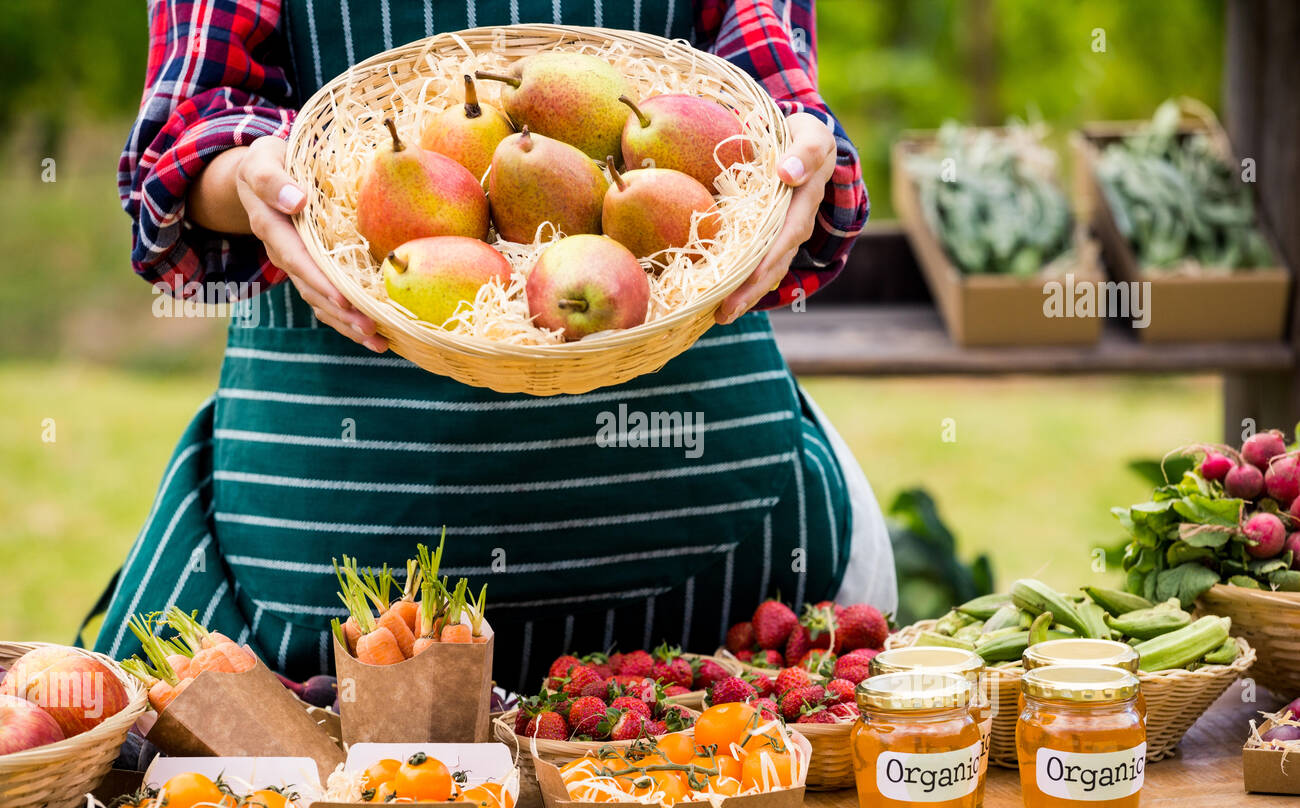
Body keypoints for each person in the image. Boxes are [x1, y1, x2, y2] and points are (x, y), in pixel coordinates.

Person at [94, 0, 895, 692]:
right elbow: (185, 146)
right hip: (348, 549)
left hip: (711, 544)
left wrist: (799, 159)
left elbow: (767, 98)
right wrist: (252, 181)